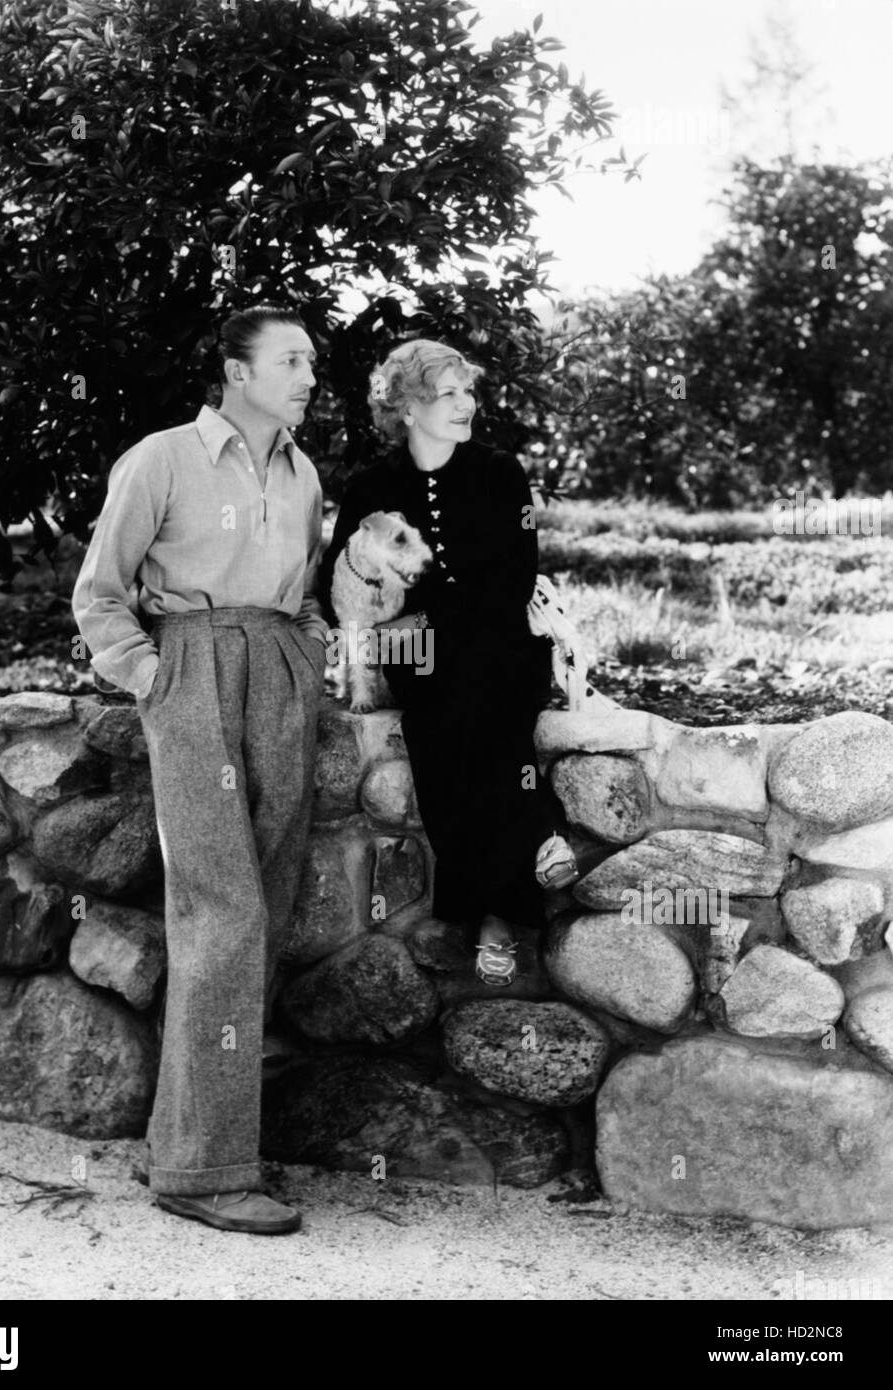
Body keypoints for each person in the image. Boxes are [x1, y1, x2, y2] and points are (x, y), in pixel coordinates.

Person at [73, 306, 328, 1235]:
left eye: (310, 361)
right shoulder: (162, 457)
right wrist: (154, 678)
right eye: (290, 360)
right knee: (222, 906)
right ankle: (204, 1172)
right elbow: (100, 593)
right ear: (236, 371)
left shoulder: (303, 474)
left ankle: (208, 1147)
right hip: (192, 669)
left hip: (279, 676)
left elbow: (304, 594)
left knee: (270, 896)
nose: (308, 375)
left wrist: (307, 661)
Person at [319, 339, 578, 987]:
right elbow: (340, 585)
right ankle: (537, 832)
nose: (468, 404)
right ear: (406, 407)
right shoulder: (372, 489)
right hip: (421, 654)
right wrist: (421, 615)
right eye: (449, 393)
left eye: (469, 391)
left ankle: (490, 917)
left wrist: (432, 607)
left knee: (460, 718)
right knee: (449, 721)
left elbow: (515, 576)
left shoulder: (500, 471)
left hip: (499, 646)